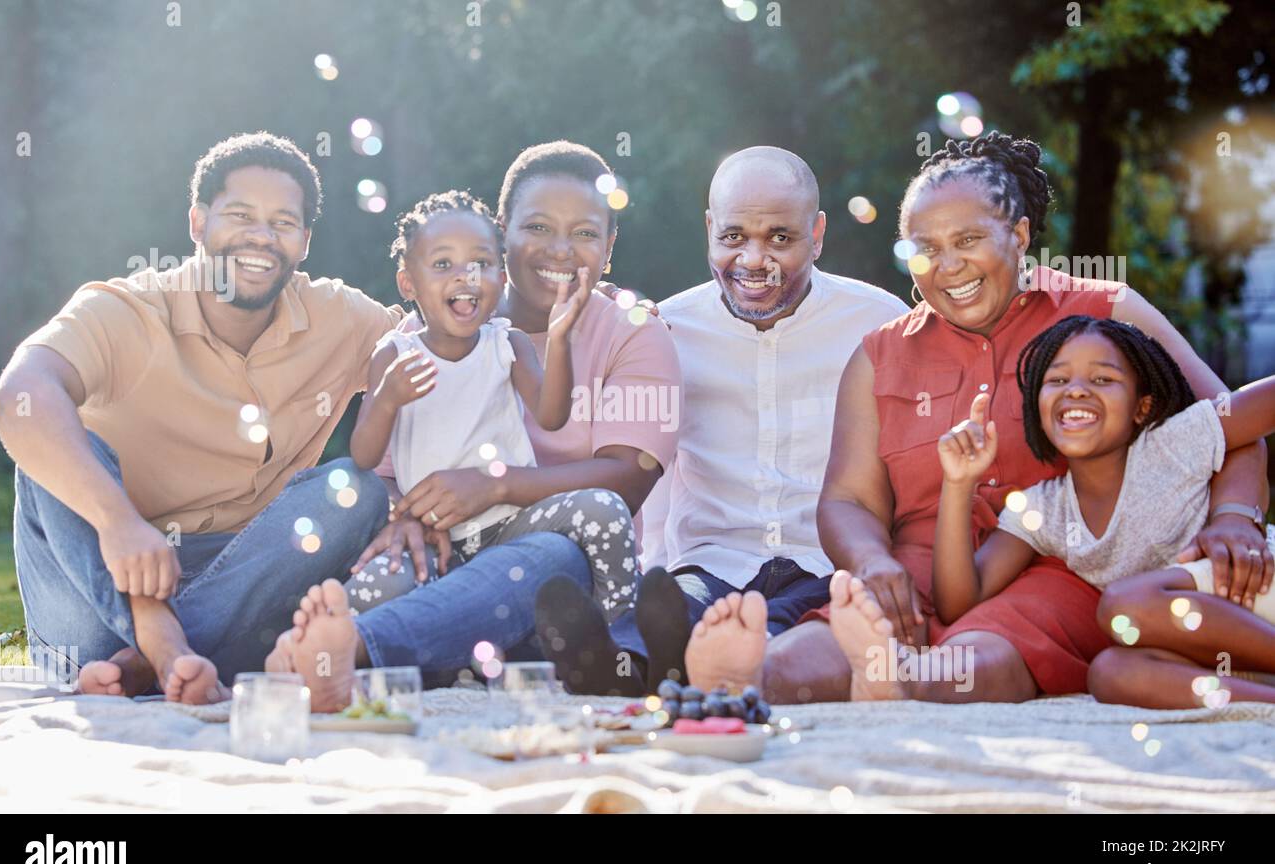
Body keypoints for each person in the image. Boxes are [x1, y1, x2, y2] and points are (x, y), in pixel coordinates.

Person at [682, 131, 1271, 704]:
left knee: (977, 655)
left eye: (968, 240)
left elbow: (1226, 426)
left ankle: (901, 681)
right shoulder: (879, 354)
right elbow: (848, 502)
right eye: (926, 249)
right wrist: (872, 563)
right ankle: (754, 678)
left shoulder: (1102, 314)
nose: (949, 266)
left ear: (1018, 236)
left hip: (1053, 568)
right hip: (915, 570)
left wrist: (1236, 518)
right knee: (805, 656)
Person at [0, 132, 405, 704]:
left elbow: (440, 350)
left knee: (354, 490)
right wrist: (120, 525)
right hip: (98, 580)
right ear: (197, 222)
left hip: (244, 584)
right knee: (53, 452)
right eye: (240, 215)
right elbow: (19, 396)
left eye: (283, 222)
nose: (261, 236)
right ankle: (159, 637)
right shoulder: (126, 311)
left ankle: (154, 659)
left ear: (305, 242)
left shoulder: (341, 318)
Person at [266, 141, 682, 705]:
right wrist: (402, 516)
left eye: (585, 234)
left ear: (609, 249)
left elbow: (628, 478)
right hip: (444, 549)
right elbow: (379, 469)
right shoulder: (425, 335)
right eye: (537, 227)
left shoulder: (633, 333)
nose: (561, 249)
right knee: (385, 559)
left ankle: (364, 648)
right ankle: (311, 650)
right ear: (501, 232)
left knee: (552, 559)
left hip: (555, 571)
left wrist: (496, 484)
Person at [533, 146, 907, 695]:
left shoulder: (878, 323)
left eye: (780, 237)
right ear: (710, 228)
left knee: (776, 626)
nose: (755, 259)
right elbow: (632, 458)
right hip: (713, 561)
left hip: (827, 562)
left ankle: (704, 663)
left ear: (818, 233)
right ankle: (620, 661)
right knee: (675, 608)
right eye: (734, 237)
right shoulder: (662, 331)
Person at [919, 315, 1275, 707]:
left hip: (1254, 587)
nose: (1076, 391)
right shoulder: (1044, 508)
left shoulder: (1170, 444)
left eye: (1102, 380)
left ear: (1142, 408)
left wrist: (1237, 516)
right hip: (1215, 645)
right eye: (1057, 380)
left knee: (1124, 605)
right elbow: (957, 601)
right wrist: (958, 482)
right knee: (1108, 673)